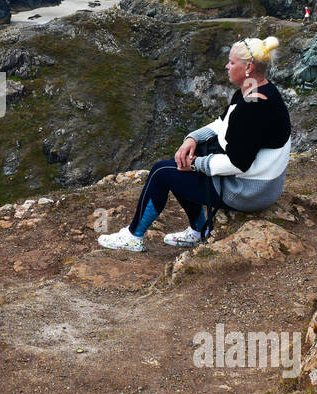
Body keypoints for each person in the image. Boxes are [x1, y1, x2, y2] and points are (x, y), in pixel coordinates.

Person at [98, 36, 292, 252]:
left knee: (161, 172)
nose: (227, 66)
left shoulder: (253, 108)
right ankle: (199, 230)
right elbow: (223, 122)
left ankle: (134, 236)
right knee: (181, 161)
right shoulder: (256, 89)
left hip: (248, 192)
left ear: (248, 67)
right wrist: (192, 139)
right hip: (261, 183)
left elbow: (238, 163)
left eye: (232, 62)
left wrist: (195, 165)